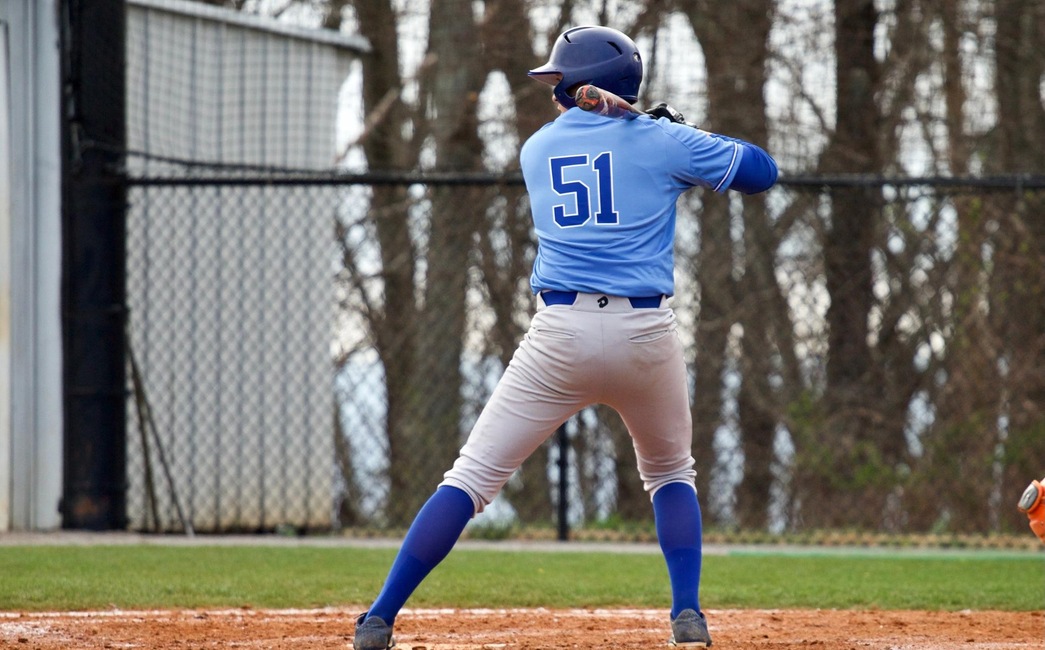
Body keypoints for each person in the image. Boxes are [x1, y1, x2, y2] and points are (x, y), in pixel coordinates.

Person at [353, 25, 778, 650]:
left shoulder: (536, 150)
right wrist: (676, 132)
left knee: (469, 480)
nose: (552, 95)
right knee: (670, 476)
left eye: (560, 84)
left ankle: (379, 618)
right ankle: (687, 616)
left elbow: (592, 140)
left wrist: (645, 127)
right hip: (643, 333)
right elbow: (762, 173)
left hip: (561, 334)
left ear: (583, 88)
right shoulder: (663, 142)